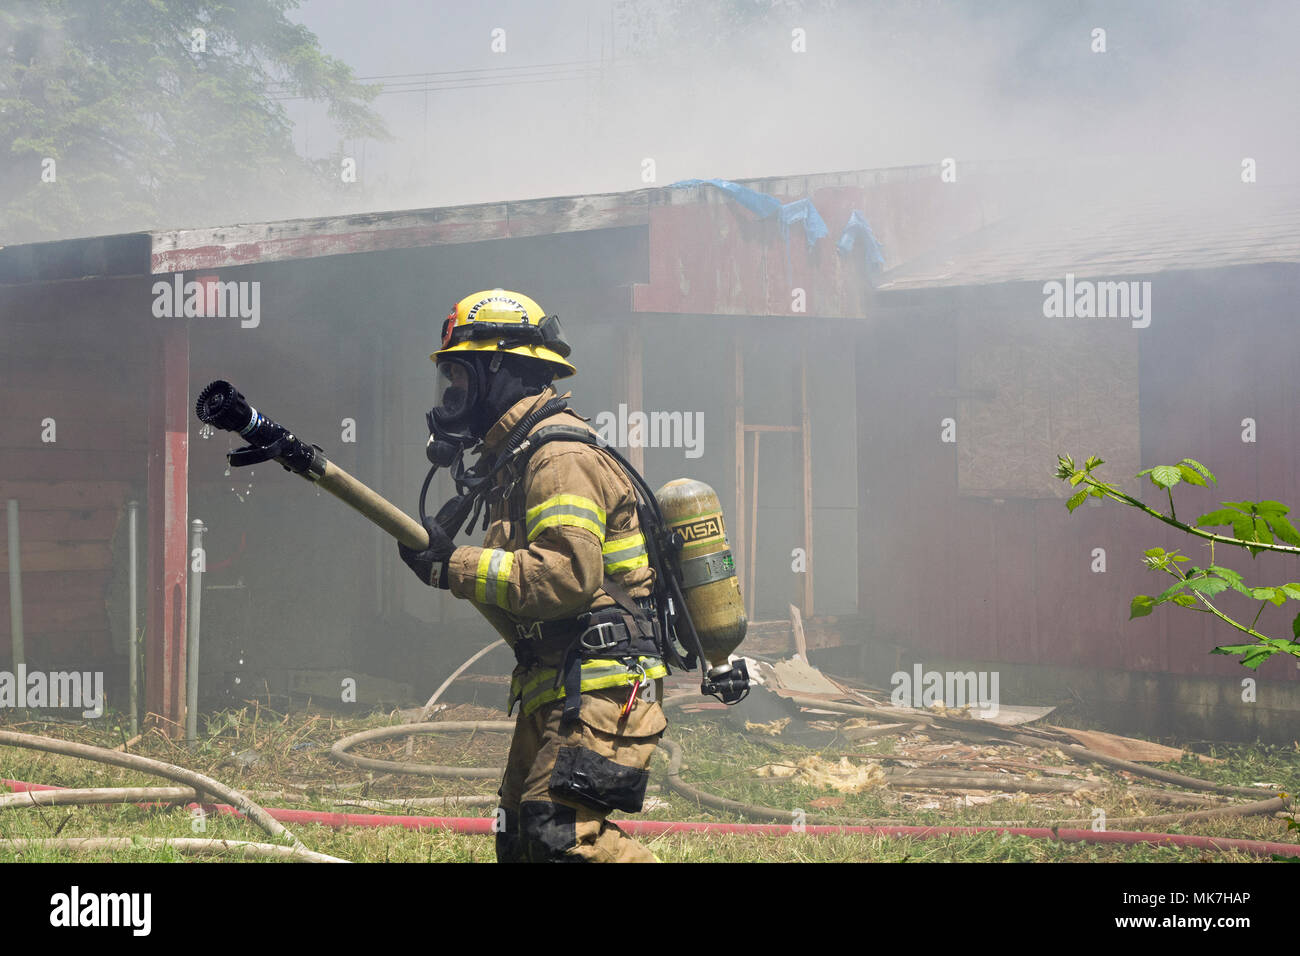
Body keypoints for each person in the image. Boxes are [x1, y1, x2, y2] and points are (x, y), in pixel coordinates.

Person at [398, 289, 668, 863]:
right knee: (519, 839)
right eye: (447, 375)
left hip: (604, 684)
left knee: (560, 840)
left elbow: (566, 577)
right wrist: (446, 571)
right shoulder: (516, 459)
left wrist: (457, 565)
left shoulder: (558, 458)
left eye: (460, 375)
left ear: (502, 370)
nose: (451, 394)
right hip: (558, 682)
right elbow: (529, 594)